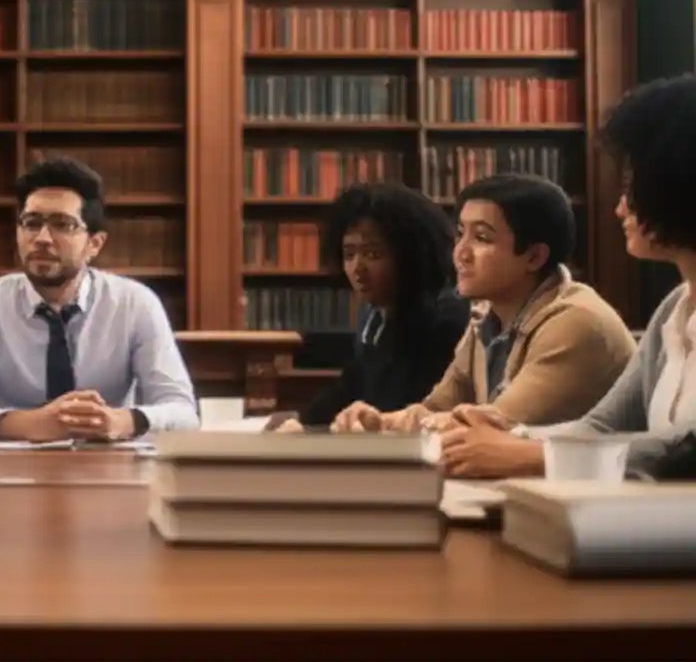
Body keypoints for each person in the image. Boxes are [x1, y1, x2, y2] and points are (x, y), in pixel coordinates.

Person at [438, 75, 696, 479]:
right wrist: (509, 435)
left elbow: (687, 450)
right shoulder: (673, 310)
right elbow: (602, 426)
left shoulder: (578, 318)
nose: (620, 208)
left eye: (631, 186)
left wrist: (530, 455)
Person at [333, 173, 636, 436]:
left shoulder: (576, 322)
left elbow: (494, 427)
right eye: (460, 234)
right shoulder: (485, 316)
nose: (461, 253)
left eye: (481, 237)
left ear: (534, 257)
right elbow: (436, 407)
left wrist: (401, 426)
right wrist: (377, 422)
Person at [0, 157, 199, 441]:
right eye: (31, 223)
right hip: (7, 471)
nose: (42, 238)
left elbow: (184, 413)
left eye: (62, 225)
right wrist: (33, 424)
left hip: (106, 468)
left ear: (94, 243)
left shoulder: (135, 303)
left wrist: (124, 421)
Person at [288, 183, 469, 429]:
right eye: (349, 254)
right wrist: (299, 423)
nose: (357, 269)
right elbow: (350, 387)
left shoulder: (444, 319)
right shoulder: (375, 315)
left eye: (373, 255)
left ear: (410, 255)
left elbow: (400, 407)